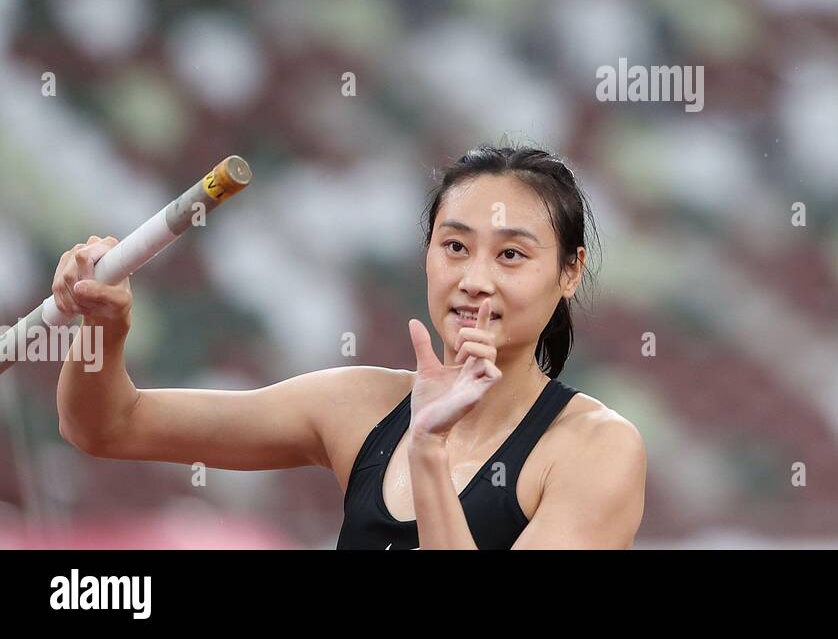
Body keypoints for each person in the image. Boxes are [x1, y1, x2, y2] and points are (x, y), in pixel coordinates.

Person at [55, 144, 646, 549]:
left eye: (511, 255)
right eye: (455, 247)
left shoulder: (595, 448)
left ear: (570, 273)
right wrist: (103, 328)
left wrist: (429, 452)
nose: (474, 280)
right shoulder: (357, 404)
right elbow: (108, 426)